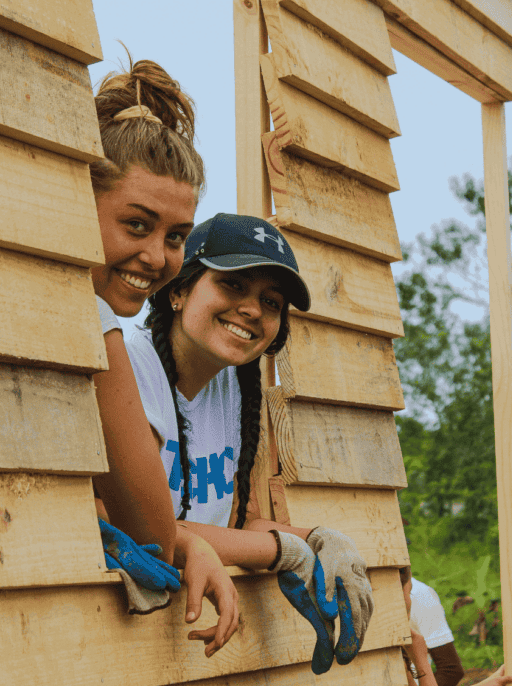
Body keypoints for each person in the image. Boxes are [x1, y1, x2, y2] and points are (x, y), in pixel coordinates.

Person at [124, 213, 374, 673]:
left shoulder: (239, 390)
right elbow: (135, 526)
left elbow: (244, 524)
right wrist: (280, 551)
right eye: (234, 286)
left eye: (271, 302)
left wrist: (320, 541)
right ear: (178, 290)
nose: (254, 310)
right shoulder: (131, 365)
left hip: (191, 655)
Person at [88, 53, 238, 654]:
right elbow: (152, 530)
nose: (157, 257)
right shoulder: (97, 322)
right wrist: (187, 541)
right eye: (136, 225)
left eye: (176, 237)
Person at [400, 567, 512, 686]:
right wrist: (421, 662)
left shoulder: (420, 595)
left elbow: (450, 670)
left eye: (410, 592)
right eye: (409, 592)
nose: (409, 599)